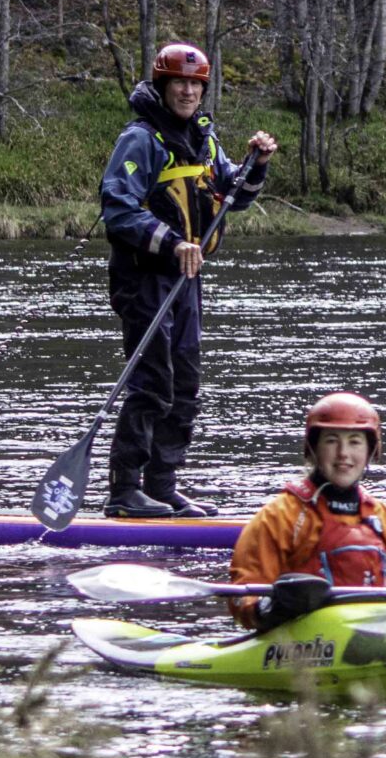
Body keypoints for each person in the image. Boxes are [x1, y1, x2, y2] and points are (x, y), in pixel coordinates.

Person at [97, 41, 276, 517]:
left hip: (187, 280)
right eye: (179, 83)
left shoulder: (203, 138)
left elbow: (234, 196)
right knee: (153, 382)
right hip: (145, 278)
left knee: (185, 385)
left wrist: (256, 164)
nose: (188, 92)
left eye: (195, 85)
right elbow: (117, 210)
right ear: (162, 85)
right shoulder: (140, 139)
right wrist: (172, 242)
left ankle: (161, 484)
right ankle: (124, 489)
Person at [227, 392, 386, 628]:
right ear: (314, 448)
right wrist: (269, 608)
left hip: (376, 634)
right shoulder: (280, 516)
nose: (343, 453)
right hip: (300, 644)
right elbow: (243, 596)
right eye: (331, 440)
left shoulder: (384, 518)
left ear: (370, 451)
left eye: (355, 441)